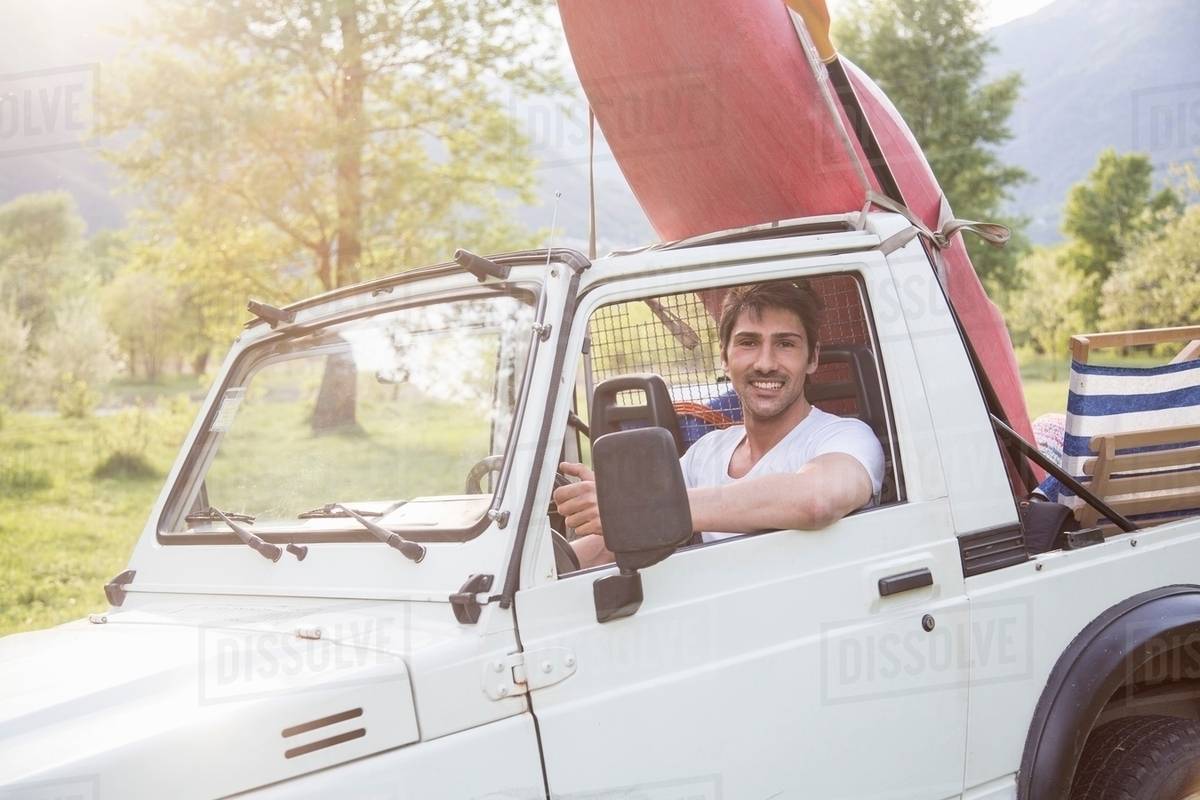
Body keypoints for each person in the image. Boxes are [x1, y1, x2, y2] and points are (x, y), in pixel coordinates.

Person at [555, 280, 885, 569]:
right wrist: (555, 564)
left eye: (785, 344)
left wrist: (641, 505)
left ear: (812, 358)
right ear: (724, 358)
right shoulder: (706, 452)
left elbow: (816, 500)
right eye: (748, 343)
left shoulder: (845, 437)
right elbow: (615, 539)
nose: (765, 363)